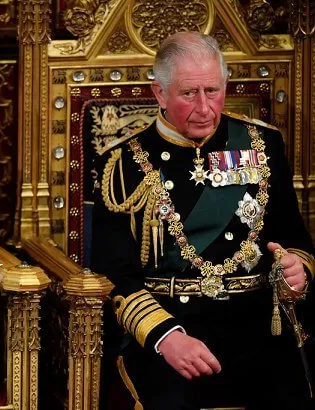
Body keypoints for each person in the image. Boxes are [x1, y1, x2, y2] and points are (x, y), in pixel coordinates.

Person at [92, 31, 314, 409]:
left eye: (213, 90)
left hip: (258, 322)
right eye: (188, 93)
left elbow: (293, 238)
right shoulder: (123, 164)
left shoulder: (262, 144)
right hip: (171, 320)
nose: (204, 107)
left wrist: (297, 269)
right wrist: (166, 336)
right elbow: (114, 271)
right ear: (159, 93)